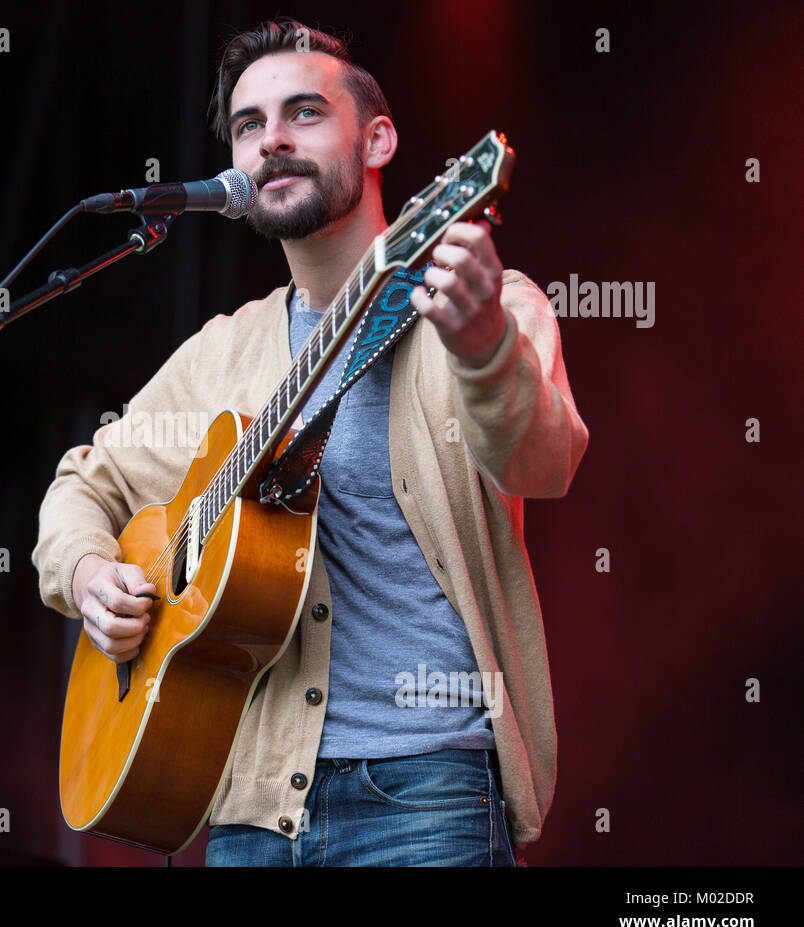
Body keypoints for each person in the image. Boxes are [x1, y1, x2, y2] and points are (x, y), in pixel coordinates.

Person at [31, 18, 588, 866]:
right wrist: (87, 574)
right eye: (250, 125)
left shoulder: (488, 303)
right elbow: (84, 482)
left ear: (378, 139)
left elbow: (542, 464)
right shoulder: (225, 353)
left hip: (424, 796)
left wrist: (480, 349)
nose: (273, 140)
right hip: (249, 808)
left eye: (304, 113)